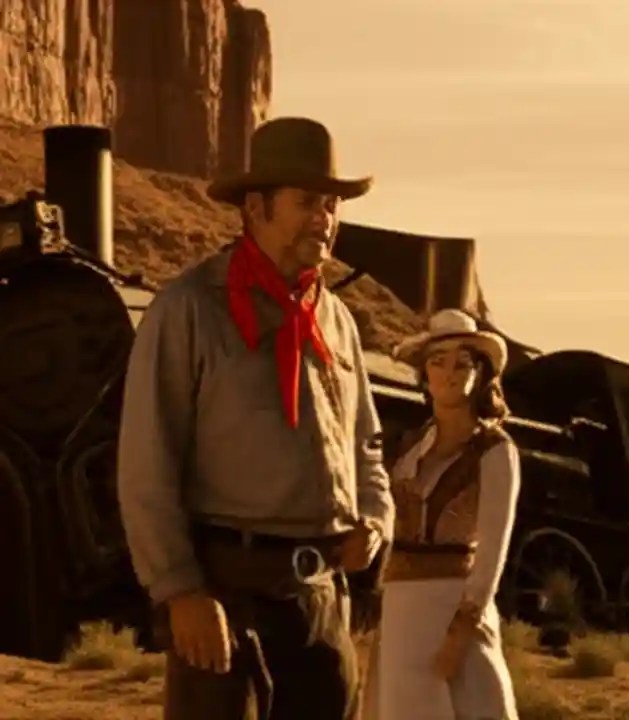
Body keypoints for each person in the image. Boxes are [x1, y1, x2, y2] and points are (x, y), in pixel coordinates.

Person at [115, 116, 395, 720]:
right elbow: (147, 461)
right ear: (255, 207)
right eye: (306, 203)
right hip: (224, 596)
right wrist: (180, 590)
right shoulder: (189, 310)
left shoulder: (337, 320)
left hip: (321, 603)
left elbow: (366, 445)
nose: (324, 218)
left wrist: (373, 519)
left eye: (331, 204)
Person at [368, 308, 521, 720]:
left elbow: (492, 550)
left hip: (454, 606)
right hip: (402, 609)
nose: (450, 373)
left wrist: (462, 630)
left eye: (462, 363)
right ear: (423, 373)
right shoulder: (409, 447)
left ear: (480, 374)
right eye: (438, 362)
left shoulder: (494, 450)